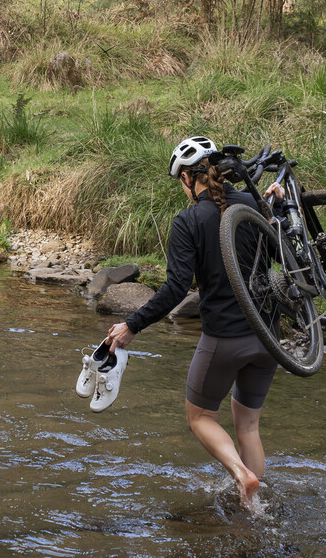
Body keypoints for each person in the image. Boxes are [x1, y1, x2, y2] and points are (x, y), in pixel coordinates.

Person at [104, 135, 280, 507]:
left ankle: (241, 476)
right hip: (268, 337)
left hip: (225, 338)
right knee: (248, 424)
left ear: (187, 178)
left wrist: (131, 325)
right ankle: (254, 505)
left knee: (200, 417)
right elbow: (280, 252)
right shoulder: (252, 203)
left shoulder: (188, 221)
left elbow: (174, 289)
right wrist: (274, 206)